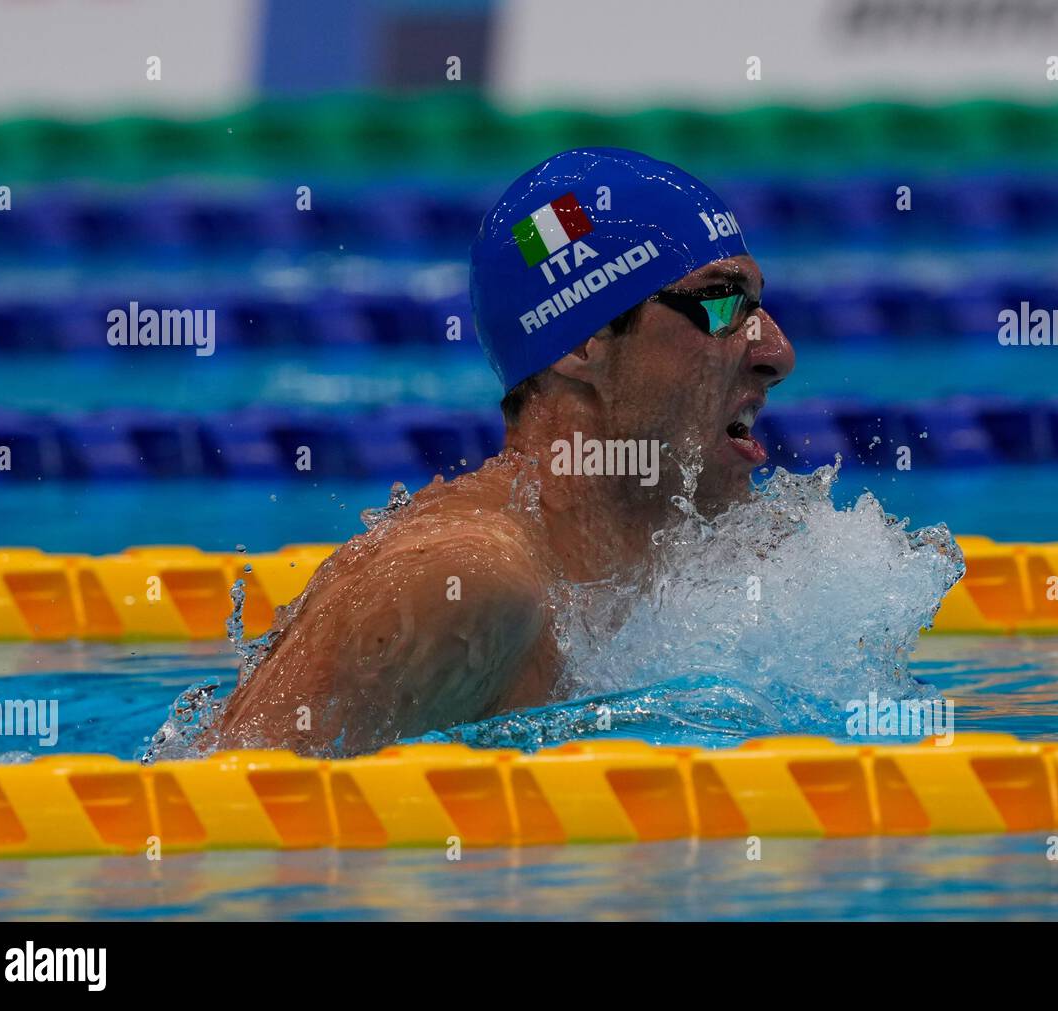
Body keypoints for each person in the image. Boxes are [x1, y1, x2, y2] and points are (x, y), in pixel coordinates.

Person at [216, 148, 794, 754]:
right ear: (582, 343)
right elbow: (236, 817)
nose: (777, 351)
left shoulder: (716, 571)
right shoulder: (468, 582)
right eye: (723, 304)